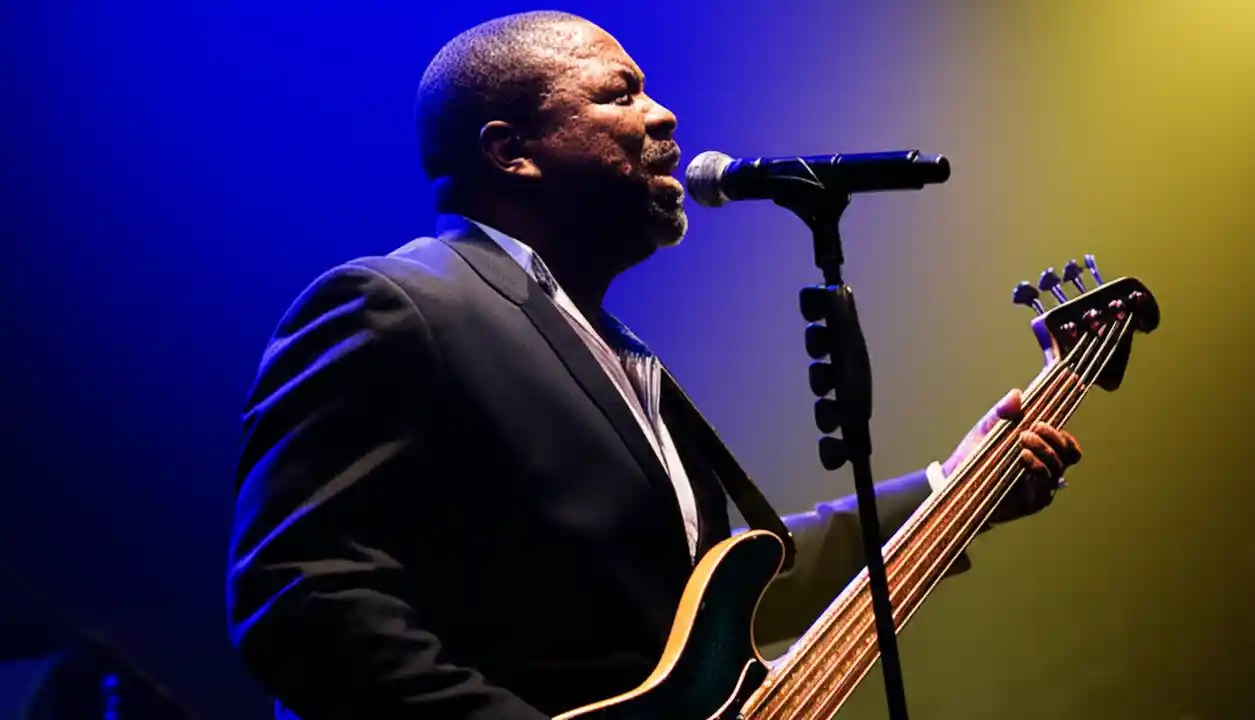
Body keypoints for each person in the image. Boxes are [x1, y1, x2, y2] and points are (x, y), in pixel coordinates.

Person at [226, 11, 1082, 719]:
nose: (664, 115)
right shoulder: (397, 303)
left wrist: (955, 486)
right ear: (509, 151)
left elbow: (734, 589)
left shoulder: (618, 355)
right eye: (620, 94)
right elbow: (304, 598)